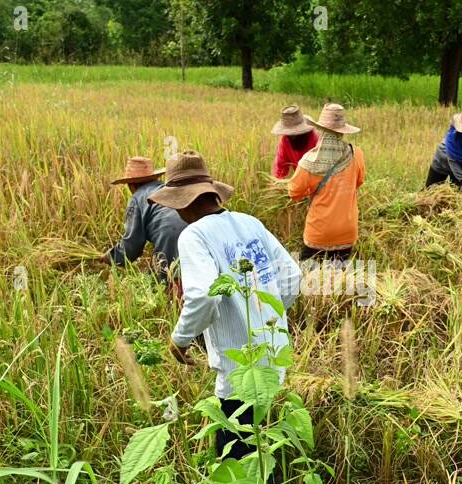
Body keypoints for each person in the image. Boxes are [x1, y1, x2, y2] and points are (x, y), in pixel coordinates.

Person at [151, 150, 302, 460]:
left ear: (182, 202)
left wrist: (179, 340)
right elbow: (292, 275)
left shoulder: (194, 235)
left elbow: (203, 294)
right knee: (264, 438)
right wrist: (269, 316)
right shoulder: (249, 223)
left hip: (239, 367)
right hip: (272, 354)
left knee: (237, 453)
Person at [288, 103, 365, 261]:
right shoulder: (356, 154)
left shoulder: (308, 162)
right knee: (338, 280)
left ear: (320, 130)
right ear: (342, 132)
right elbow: (359, 181)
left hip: (318, 233)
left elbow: (293, 193)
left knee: (309, 278)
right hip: (347, 232)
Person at [100, 156, 188, 285]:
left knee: (171, 285)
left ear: (132, 185)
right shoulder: (167, 189)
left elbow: (132, 246)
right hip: (195, 231)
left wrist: (110, 257)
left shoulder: (137, 198)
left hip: (170, 237)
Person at [272, 104, 319, 179]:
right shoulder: (285, 140)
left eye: (295, 134)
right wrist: (277, 184)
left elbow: (321, 168)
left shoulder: (314, 138)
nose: (292, 136)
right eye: (290, 133)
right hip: (300, 180)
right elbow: (280, 167)